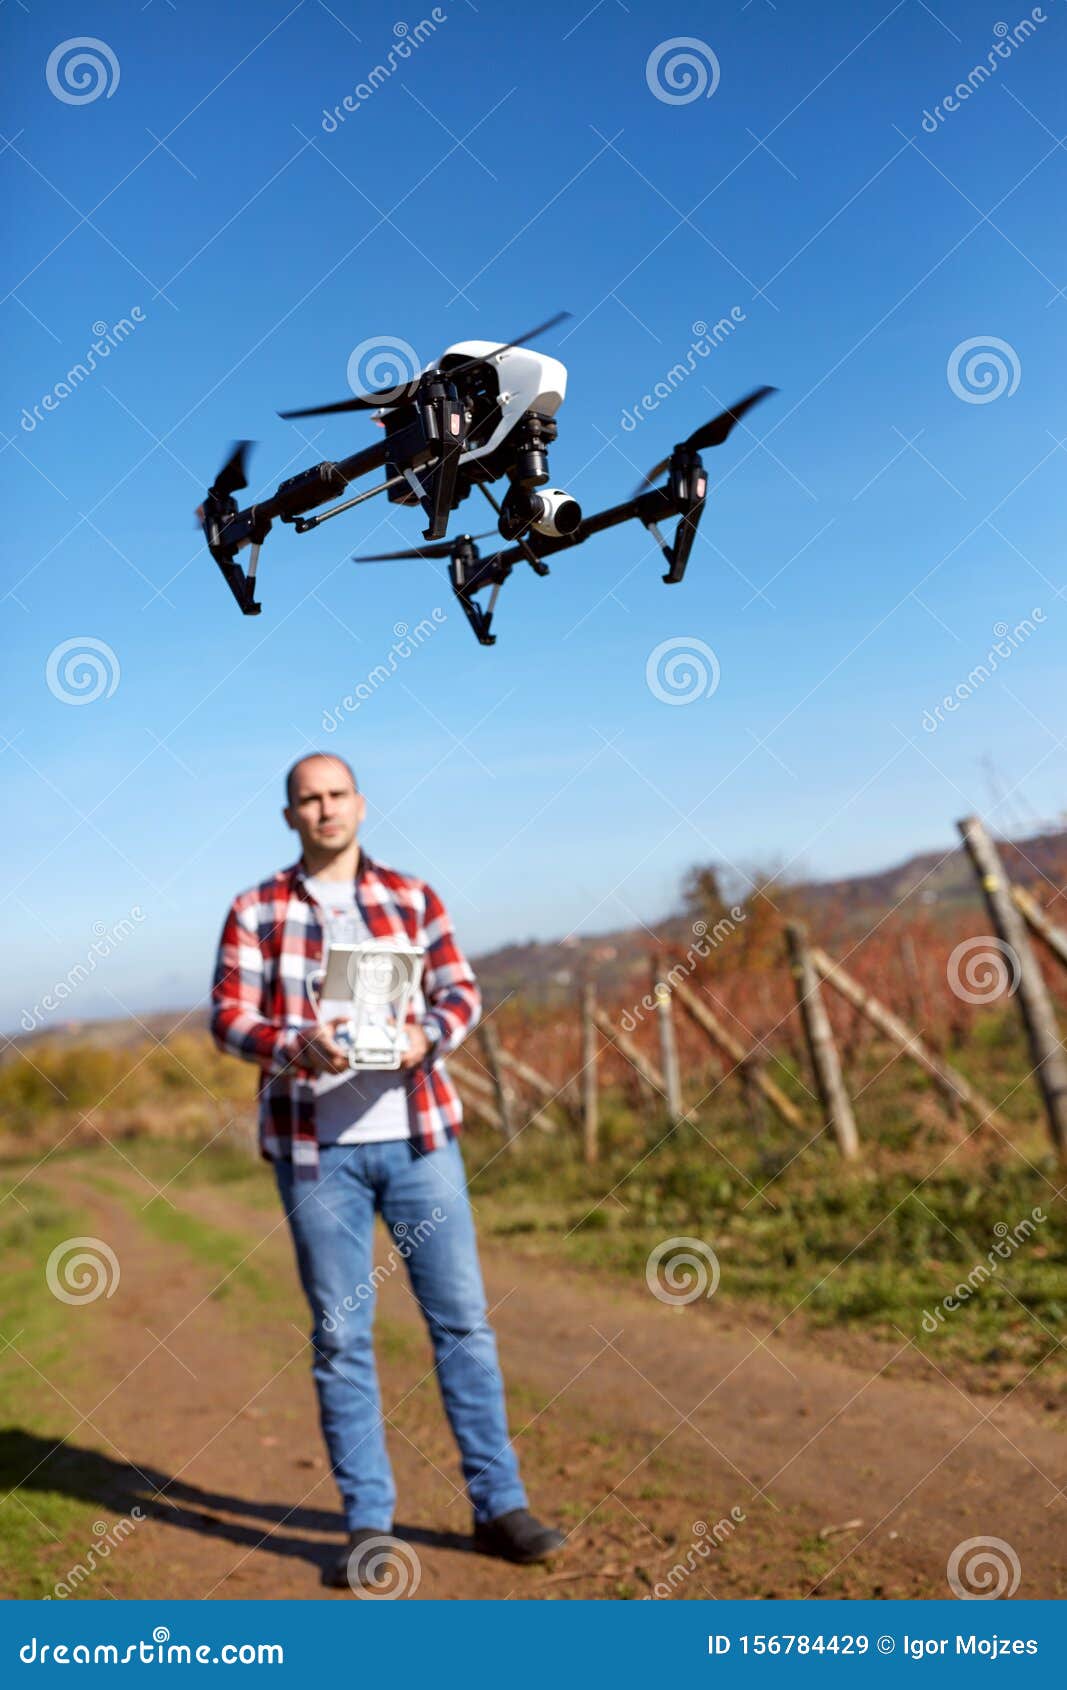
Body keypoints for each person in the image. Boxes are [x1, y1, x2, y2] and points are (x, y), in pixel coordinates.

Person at [210, 751, 564, 1589]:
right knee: (341, 1339)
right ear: (290, 815)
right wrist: (292, 1043)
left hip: (419, 1143)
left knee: (463, 1324)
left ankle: (499, 1508)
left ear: (360, 805)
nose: (325, 809)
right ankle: (368, 1527)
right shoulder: (255, 909)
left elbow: (460, 992)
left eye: (337, 794)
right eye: (309, 799)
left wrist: (423, 1035)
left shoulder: (412, 897)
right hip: (315, 1154)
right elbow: (226, 1017)